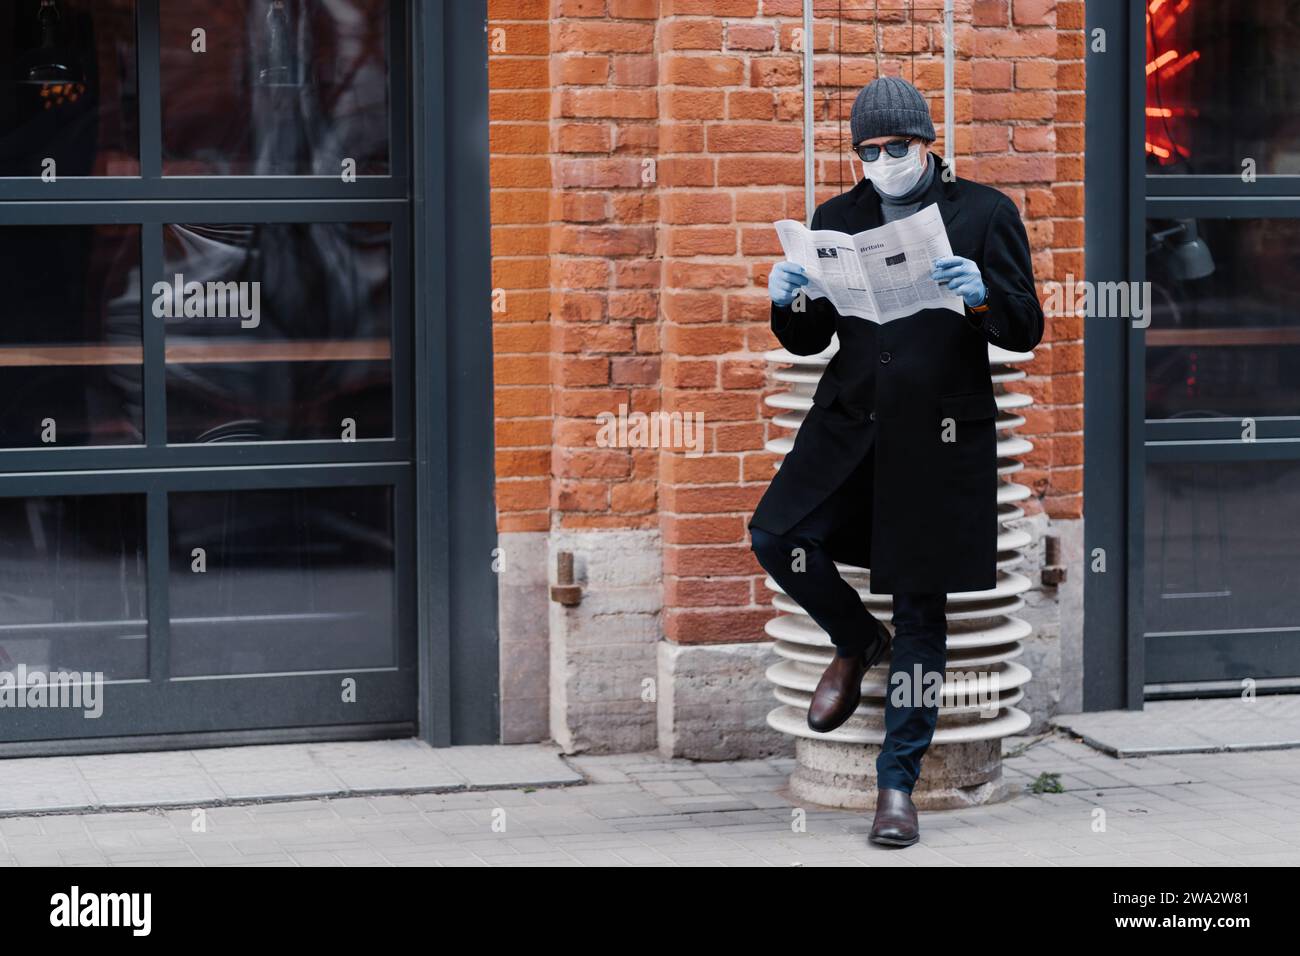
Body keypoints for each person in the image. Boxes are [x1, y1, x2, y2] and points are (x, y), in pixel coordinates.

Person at [748, 75, 1044, 847]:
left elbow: (1024, 329)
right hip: (848, 423)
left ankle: (896, 784)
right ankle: (855, 640)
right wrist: (789, 300)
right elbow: (808, 341)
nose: (882, 160)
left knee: (921, 610)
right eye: (869, 149)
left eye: (896, 147)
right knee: (777, 537)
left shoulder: (983, 212)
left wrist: (982, 295)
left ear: (927, 143)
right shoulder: (835, 219)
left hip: (940, 435)